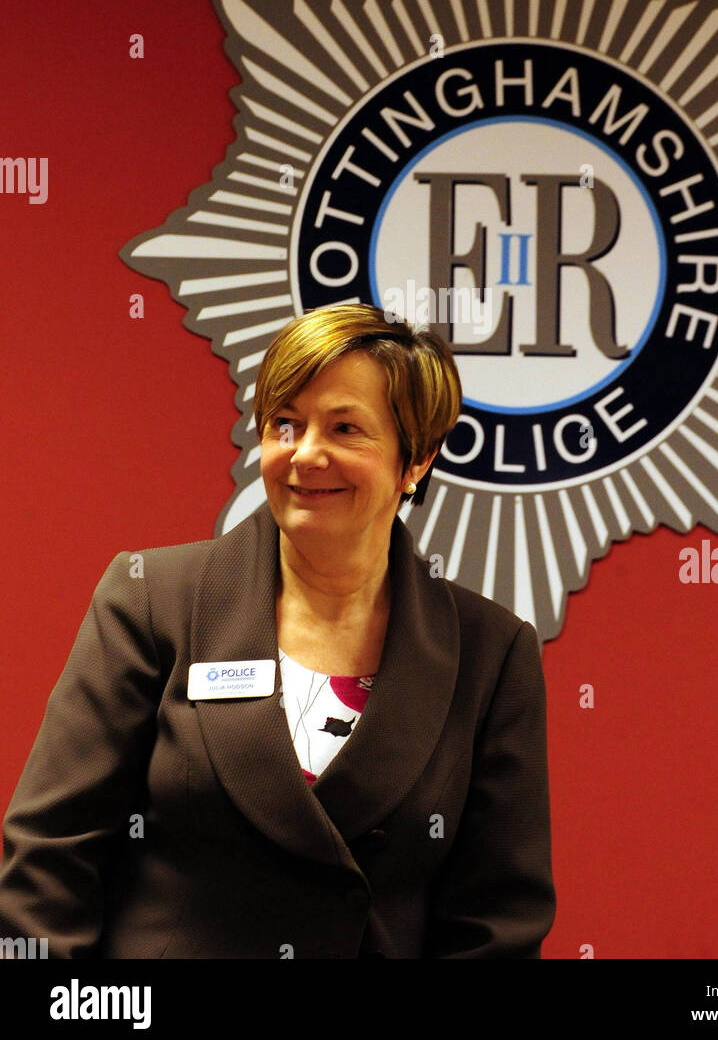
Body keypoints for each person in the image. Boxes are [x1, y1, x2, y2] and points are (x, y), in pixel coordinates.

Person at [0, 303, 556, 958]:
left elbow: (497, 922)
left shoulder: (489, 652)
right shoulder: (153, 600)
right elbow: (48, 863)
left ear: (417, 458)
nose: (306, 454)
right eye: (285, 425)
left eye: (345, 428)